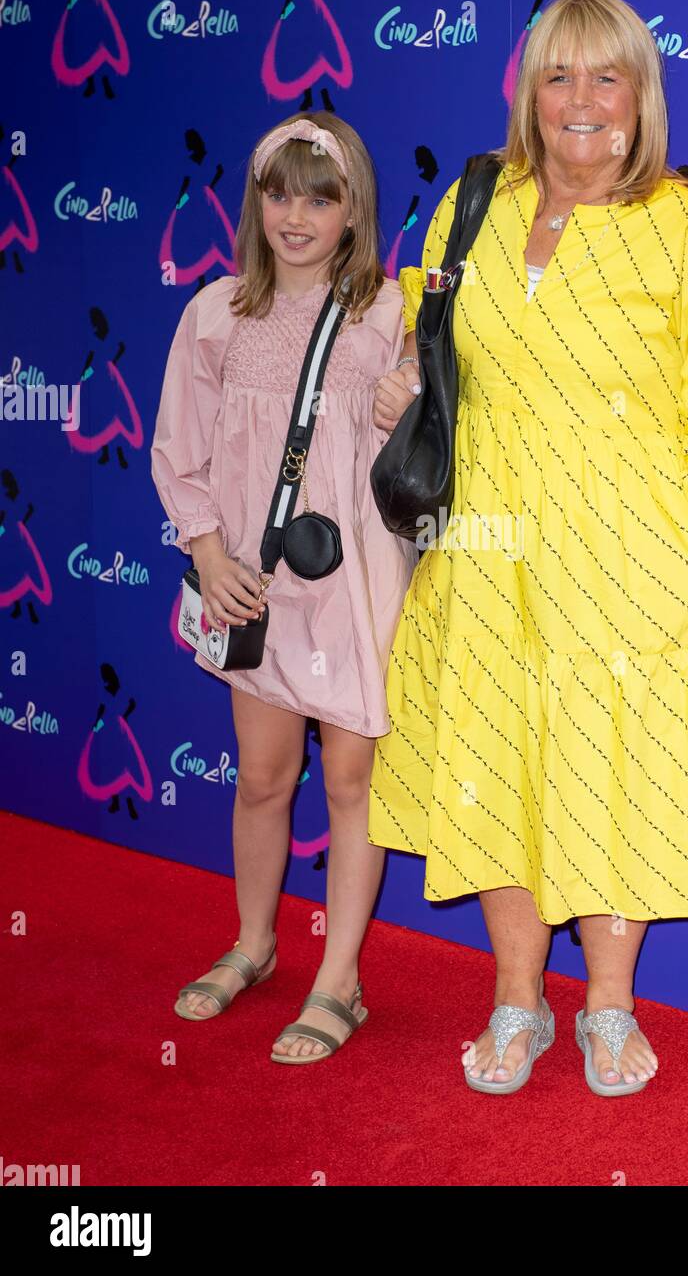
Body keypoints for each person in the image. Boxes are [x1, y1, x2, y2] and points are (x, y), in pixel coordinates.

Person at [370, 0, 688, 1095]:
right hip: (488, 537)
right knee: (501, 756)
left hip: (629, 544)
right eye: (558, 76)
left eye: (607, 77)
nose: (581, 101)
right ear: (527, 93)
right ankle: (517, 1001)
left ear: (642, 96)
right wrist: (404, 377)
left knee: (621, 768)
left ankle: (606, 1005)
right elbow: (430, 335)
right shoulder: (477, 203)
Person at [151, 113, 418, 1063]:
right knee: (262, 780)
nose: (295, 215)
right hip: (252, 583)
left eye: (320, 196)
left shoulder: (389, 313)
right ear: (253, 201)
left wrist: (406, 394)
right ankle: (253, 945)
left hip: (355, 585)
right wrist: (209, 555)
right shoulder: (215, 312)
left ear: (354, 212)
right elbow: (179, 446)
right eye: (278, 192)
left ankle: (338, 981)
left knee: (352, 782)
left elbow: (413, 464)